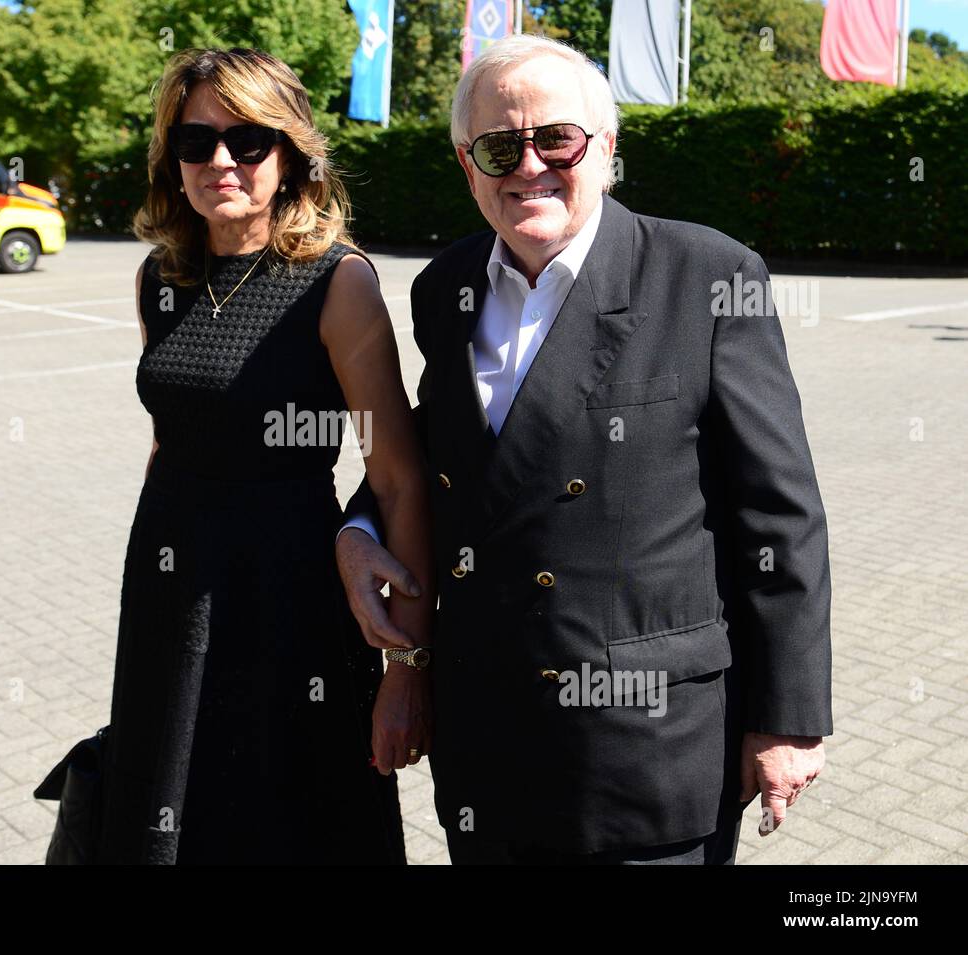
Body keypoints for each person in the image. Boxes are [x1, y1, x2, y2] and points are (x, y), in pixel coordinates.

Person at [337, 33, 833, 865]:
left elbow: (780, 512)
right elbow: (441, 454)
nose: (528, 165)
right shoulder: (443, 288)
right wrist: (360, 529)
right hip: (488, 737)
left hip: (645, 748)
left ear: (605, 148)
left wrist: (788, 716)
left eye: (555, 138)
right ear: (468, 165)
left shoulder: (706, 272)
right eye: (499, 146)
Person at [98, 47, 434, 864]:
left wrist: (410, 660)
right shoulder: (160, 277)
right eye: (195, 141)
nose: (220, 160)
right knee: (171, 798)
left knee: (293, 814)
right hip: (170, 588)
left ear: (290, 156)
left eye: (248, 141)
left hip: (291, 596)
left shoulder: (336, 280)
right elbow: (168, 441)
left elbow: (397, 474)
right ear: (170, 157)